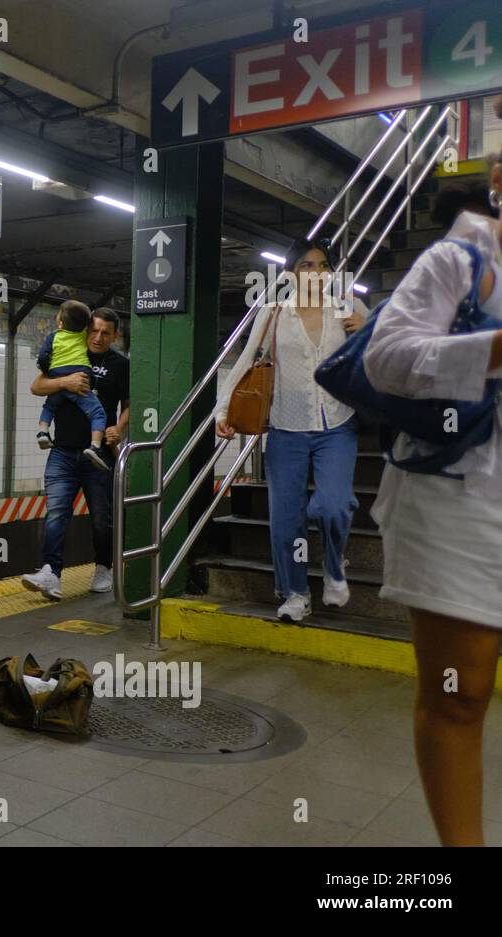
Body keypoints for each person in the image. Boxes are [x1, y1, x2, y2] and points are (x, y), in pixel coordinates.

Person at [364, 149, 502, 847]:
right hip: (459, 490)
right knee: (459, 691)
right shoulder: (457, 261)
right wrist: (493, 351)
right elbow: (383, 359)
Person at [214, 238, 366, 623]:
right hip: (286, 428)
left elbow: (387, 349)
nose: (316, 273)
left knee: (333, 506)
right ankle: (295, 592)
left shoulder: (348, 307)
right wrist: (222, 408)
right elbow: (246, 360)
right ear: (291, 273)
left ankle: (334, 568)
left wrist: (370, 327)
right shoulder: (274, 312)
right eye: (306, 266)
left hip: (337, 423)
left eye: (322, 265)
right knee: (286, 517)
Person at [22, 308, 130, 598]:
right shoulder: (69, 351)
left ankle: (103, 567)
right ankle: (50, 573)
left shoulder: (121, 365)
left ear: (115, 336)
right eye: (93, 331)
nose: (97, 337)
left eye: (105, 333)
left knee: (101, 517)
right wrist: (64, 383)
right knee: (57, 513)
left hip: (98, 454)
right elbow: (37, 386)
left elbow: (129, 403)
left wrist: (119, 427)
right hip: (63, 451)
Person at [34, 300, 110, 468]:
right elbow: (35, 387)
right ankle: (95, 446)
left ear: (60, 322)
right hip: (80, 377)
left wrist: (48, 369)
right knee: (97, 413)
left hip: (56, 372)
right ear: (87, 328)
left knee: (49, 406)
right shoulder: (83, 336)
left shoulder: (53, 336)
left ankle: (43, 432)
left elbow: (43, 356)